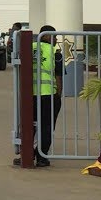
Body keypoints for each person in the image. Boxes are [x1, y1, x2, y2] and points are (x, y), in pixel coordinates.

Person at [32, 24, 65, 167]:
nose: (56, 40)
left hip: (30, 95)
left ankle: (27, 154)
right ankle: (41, 157)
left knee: (29, 125)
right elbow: (58, 76)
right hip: (48, 95)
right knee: (47, 126)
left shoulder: (29, 48)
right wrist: (59, 96)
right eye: (54, 37)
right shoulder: (55, 52)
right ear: (46, 36)